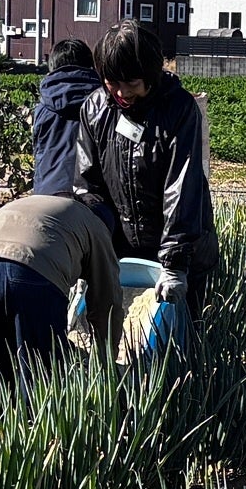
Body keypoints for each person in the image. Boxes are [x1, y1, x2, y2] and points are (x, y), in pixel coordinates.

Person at [76, 20, 218, 317]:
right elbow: (88, 187)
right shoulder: (94, 109)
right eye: (112, 81)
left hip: (180, 253)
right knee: (124, 335)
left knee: (180, 333)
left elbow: (181, 187)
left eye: (131, 83)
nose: (121, 92)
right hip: (123, 253)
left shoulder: (178, 108)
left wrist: (174, 263)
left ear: (150, 74)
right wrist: (91, 254)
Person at [0, 193, 122, 402]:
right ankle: (36, 422)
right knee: (40, 379)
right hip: (30, 272)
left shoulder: (36, 206)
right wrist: (106, 362)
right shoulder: (95, 223)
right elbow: (107, 303)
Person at [31, 39, 101, 197]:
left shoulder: (43, 106)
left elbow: (38, 149)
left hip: (47, 192)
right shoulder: (101, 103)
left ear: (52, 66)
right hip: (90, 196)